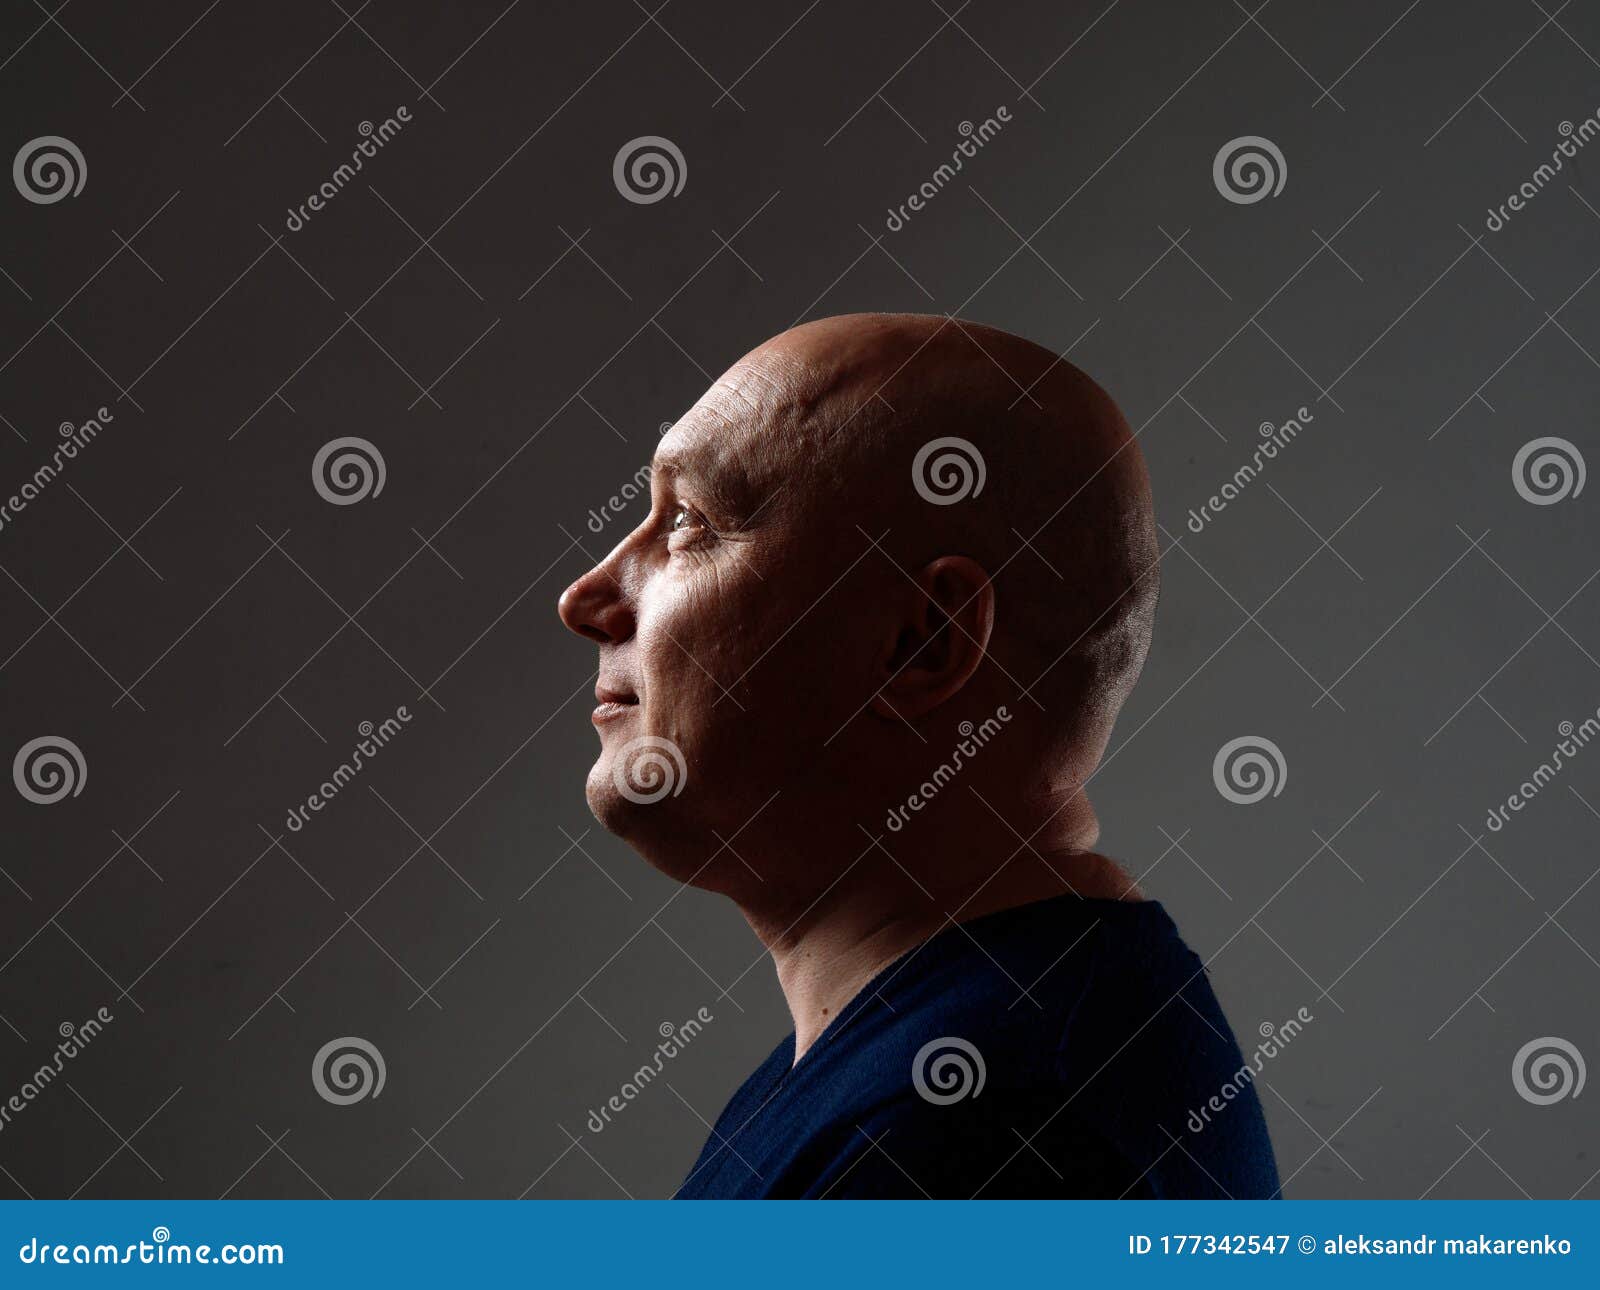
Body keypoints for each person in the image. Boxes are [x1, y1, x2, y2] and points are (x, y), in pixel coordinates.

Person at [557, 313, 1279, 1198]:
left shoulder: (972, 1130)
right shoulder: (919, 1062)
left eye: (689, 523)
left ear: (923, 641)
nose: (585, 599)